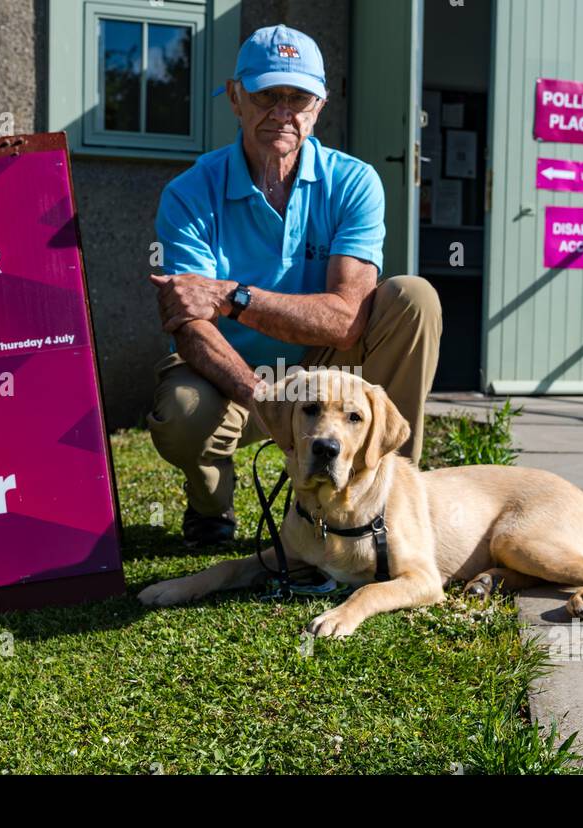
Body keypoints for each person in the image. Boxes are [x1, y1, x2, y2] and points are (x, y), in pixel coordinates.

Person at [150, 24, 442, 547]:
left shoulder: (354, 182)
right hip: (229, 371)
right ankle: (211, 508)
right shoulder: (189, 193)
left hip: (326, 365)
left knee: (412, 298)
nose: (283, 113)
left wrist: (231, 294)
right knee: (181, 413)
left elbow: (347, 320)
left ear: (320, 105)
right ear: (236, 97)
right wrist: (266, 400)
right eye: (267, 95)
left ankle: (391, 495)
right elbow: (191, 326)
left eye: (298, 98)